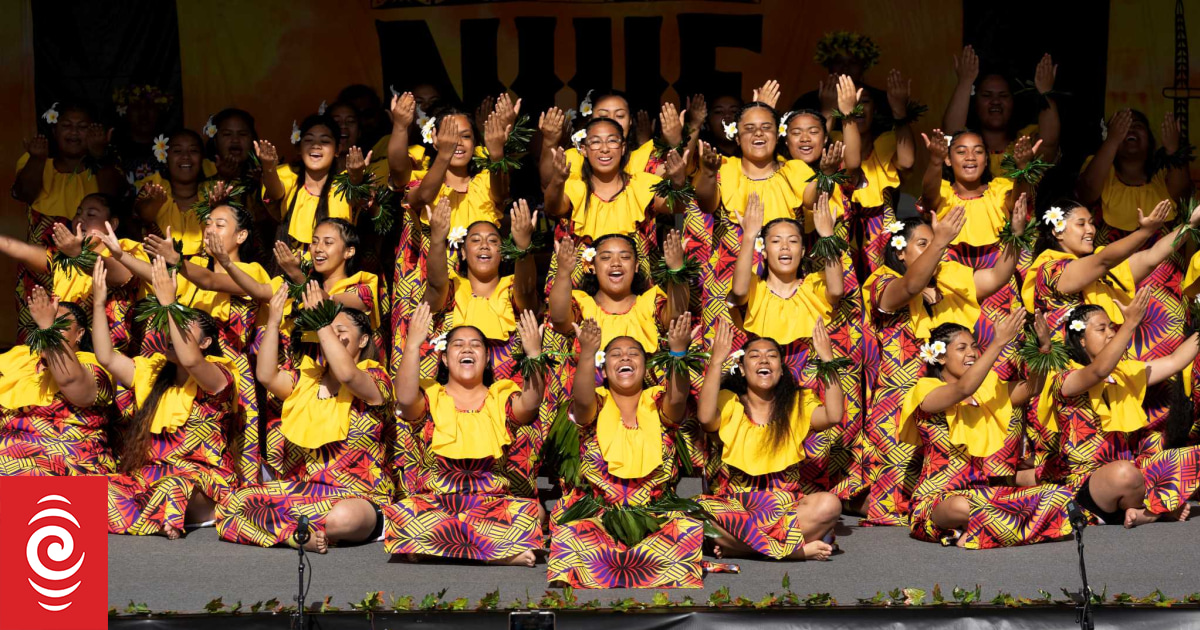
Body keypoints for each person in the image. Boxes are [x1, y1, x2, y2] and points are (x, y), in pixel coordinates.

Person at [861, 203, 1027, 525]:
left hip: (947, 396)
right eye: (922, 243)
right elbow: (910, 287)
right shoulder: (883, 282)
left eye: (933, 243)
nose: (934, 248)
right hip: (901, 404)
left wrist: (1015, 235)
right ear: (900, 252)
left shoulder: (948, 280)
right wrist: (940, 241)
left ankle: (950, 518)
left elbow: (996, 276)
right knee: (892, 506)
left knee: (948, 480)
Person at [218, 285, 393, 553]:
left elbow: (347, 375)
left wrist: (322, 322)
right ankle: (296, 537)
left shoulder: (375, 378)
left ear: (363, 340)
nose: (330, 337)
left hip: (359, 495)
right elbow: (266, 376)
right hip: (309, 490)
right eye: (326, 332)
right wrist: (274, 321)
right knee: (236, 500)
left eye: (340, 332)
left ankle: (298, 527)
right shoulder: (309, 378)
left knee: (340, 519)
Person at [547, 316, 705, 588]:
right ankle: (641, 569)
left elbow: (678, 400)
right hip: (599, 515)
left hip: (654, 516)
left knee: (687, 529)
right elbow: (581, 400)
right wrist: (587, 352)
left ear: (644, 369)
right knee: (568, 531)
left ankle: (600, 569)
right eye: (615, 355)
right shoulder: (596, 403)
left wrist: (678, 353)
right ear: (605, 370)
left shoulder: (658, 402)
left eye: (634, 354)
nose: (625, 358)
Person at [384, 303, 546, 567]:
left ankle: (437, 549)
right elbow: (404, 398)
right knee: (405, 512)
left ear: (487, 358)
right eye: (458, 344)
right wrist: (412, 345)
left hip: (491, 504)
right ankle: (496, 553)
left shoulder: (501, 395)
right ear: (445, 358)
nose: (467, 348)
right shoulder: (430, 395)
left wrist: (534, 354)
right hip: (436, 504)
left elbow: (530, 403)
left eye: (476, 345)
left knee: (533, 513)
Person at [899, 314, 1076, 548]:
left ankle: (978, 530)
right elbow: (963, 389)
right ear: (940, 356)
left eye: (974, 346)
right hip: (938, 501)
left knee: (1059, 497)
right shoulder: (926, 390)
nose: (971, 353)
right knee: (962, 506)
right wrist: (998, 342)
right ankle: (999, 528)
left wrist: (1043, 348)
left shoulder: (986, 390)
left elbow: (1032, 387)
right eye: (961, 348)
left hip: (985, 495)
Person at [99, 257, 240, 538]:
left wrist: (170, 305)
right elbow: (105, 356)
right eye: (173, 327)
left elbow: (191, 360)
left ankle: (182, 516)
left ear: (205, 343)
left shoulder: (217, 374)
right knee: (99, 487)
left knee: (172, 487)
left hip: (203, 481)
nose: (174, 335)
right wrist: (97, 302)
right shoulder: (152, 371)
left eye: (184, 329)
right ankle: (156, 516)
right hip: (151, 475)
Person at [1039, 298, 1200, 527]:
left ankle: (1144, 511)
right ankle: (1156, 508)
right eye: (1101, 328)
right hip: (1092, 487)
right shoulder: (1066, 378)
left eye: (1112, 327)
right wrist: (1130, 323)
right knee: (1124, 473)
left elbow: (1175, 361)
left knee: (1182, 457)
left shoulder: (1124, 372)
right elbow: (1098, 371)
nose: (1111, 333)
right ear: (1082, 340)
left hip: (1133, 474)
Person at [696, 321, 844, 560]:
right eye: (754, 356)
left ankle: (741, 549)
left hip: (785, 509)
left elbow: (834, 415)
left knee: (830, 504)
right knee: (696, 513)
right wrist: (716, 362)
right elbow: (704, 418)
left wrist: (828, 359)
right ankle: (793, 552)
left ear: (781, 369)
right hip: (735, 511)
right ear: (742, 369)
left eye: (772, 356)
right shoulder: (727, 401)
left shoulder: (798, 402)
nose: (764, 360)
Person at [0, 193, 141, 350]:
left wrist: (79, 254)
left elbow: (119, 275)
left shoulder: (125, 250)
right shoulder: (64, 258)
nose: (80, 219)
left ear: (113, 224)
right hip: (61, 350)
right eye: (78, 213)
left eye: (91, 214)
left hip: (106, 358)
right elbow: (23, 250)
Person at [0, 287, 115, 476]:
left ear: (79, 334)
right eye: (44, 323)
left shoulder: (94, 364)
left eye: (58, 324)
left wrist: (47, 326)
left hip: (67, 464)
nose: (48, 330)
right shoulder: (19, 360)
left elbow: (71, 382)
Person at [15, 101, 124, 247]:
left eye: (83, 127)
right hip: (41, 261)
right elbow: (24, 194)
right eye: (66, 125)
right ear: (54, 131)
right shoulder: (34, 160)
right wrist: (36, 160)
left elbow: (114, 197)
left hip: (92, 259)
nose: (74, 132)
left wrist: (100, 155)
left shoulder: (108, 165)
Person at [1076, 110, 1192, 244]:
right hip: (1108, 264)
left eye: (1138, 126)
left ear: (1149, 139)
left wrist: (1173, 149)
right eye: (1122, 127)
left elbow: (1183, 194)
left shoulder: (1166, 172)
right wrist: (1112, 140)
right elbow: (1086, 192)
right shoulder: (1098, 167)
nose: (1130, 129)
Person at [941, 47, 1061, 177]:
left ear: (1013, 102)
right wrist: (965, 82)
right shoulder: (965, 143)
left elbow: (1049, 143)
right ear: (974, 102)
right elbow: (950, 134)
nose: (996, 101)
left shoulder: (1026, 144)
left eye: (1003, 95)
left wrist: (1045, 92)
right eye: (987, 95)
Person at [257, 114, 369, 249]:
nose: (316, 146)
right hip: (288, 266)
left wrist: (356, 175)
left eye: (325, 141)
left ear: (337, 149)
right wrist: (268, 167)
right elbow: (275, 192)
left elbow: (357, 196)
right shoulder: (287, 176)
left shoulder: (345, 183)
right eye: (309, 140)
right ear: (298, 148)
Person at [848, 69, 917, 275]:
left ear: (875, 109)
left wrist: (899, 112)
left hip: (882, 250)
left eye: (865, 101)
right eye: (852, 100)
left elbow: (907, 162)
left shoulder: (885, 143)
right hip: (841, 251)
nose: (858, 107)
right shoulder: (834, 141)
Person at [133, 129, 209, 256]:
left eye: (193, 151)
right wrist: (155, 203)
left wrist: (218, 206)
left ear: (202, 158)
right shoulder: (153, 187)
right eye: (178, 151)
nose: (185, 156)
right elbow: (141, 216)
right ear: (165, 157)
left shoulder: (213, 191)